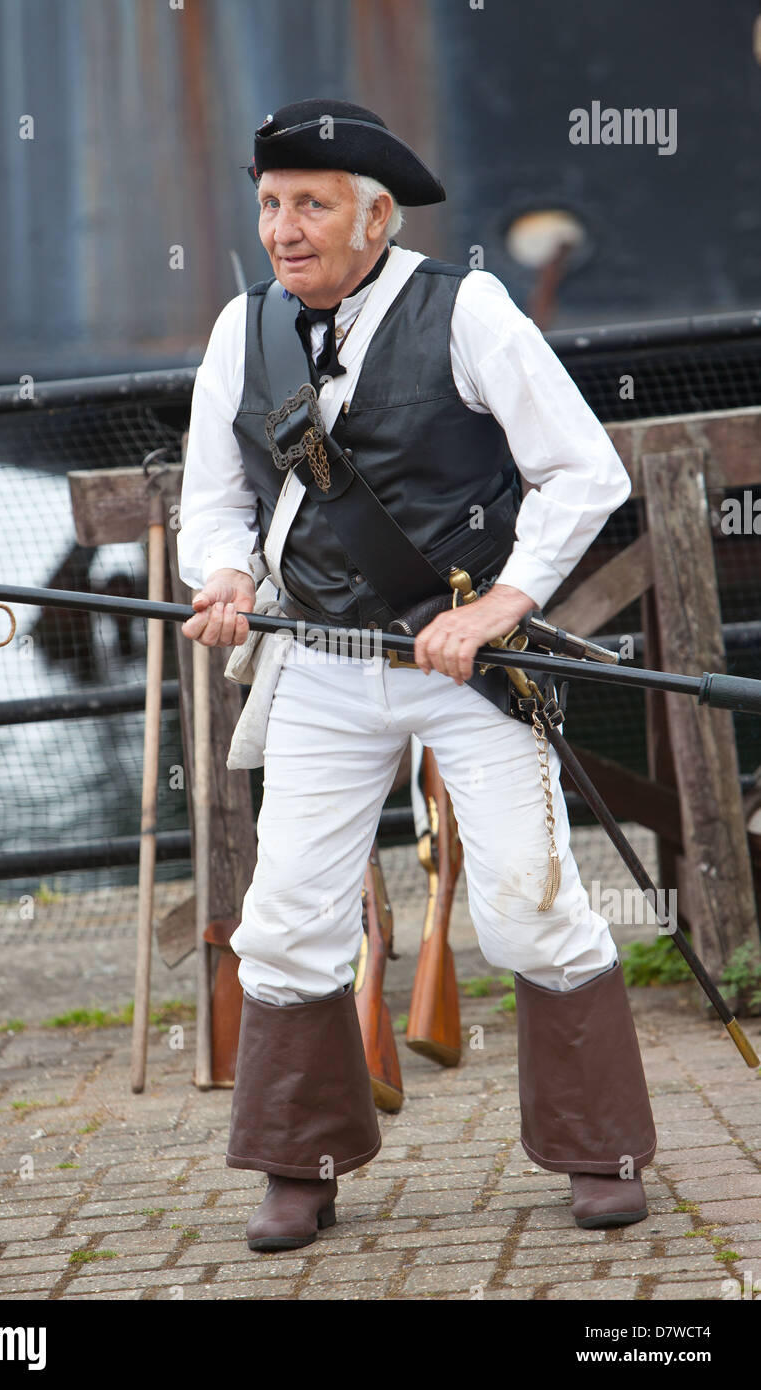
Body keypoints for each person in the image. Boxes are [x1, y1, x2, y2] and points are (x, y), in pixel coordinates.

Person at [177, 98, 656, 1252]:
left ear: (375, 214)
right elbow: (214, 497)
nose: (283, 229)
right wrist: (225, 578)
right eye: (269, 205)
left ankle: (601, 1144)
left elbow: (581, 471)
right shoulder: (238, 332)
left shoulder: (467, 309)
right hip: (320, 665)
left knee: (528, 907)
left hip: (468, 666)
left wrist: (501, 602)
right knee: (287, 918)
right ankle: (302, 1160)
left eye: (310, 205)